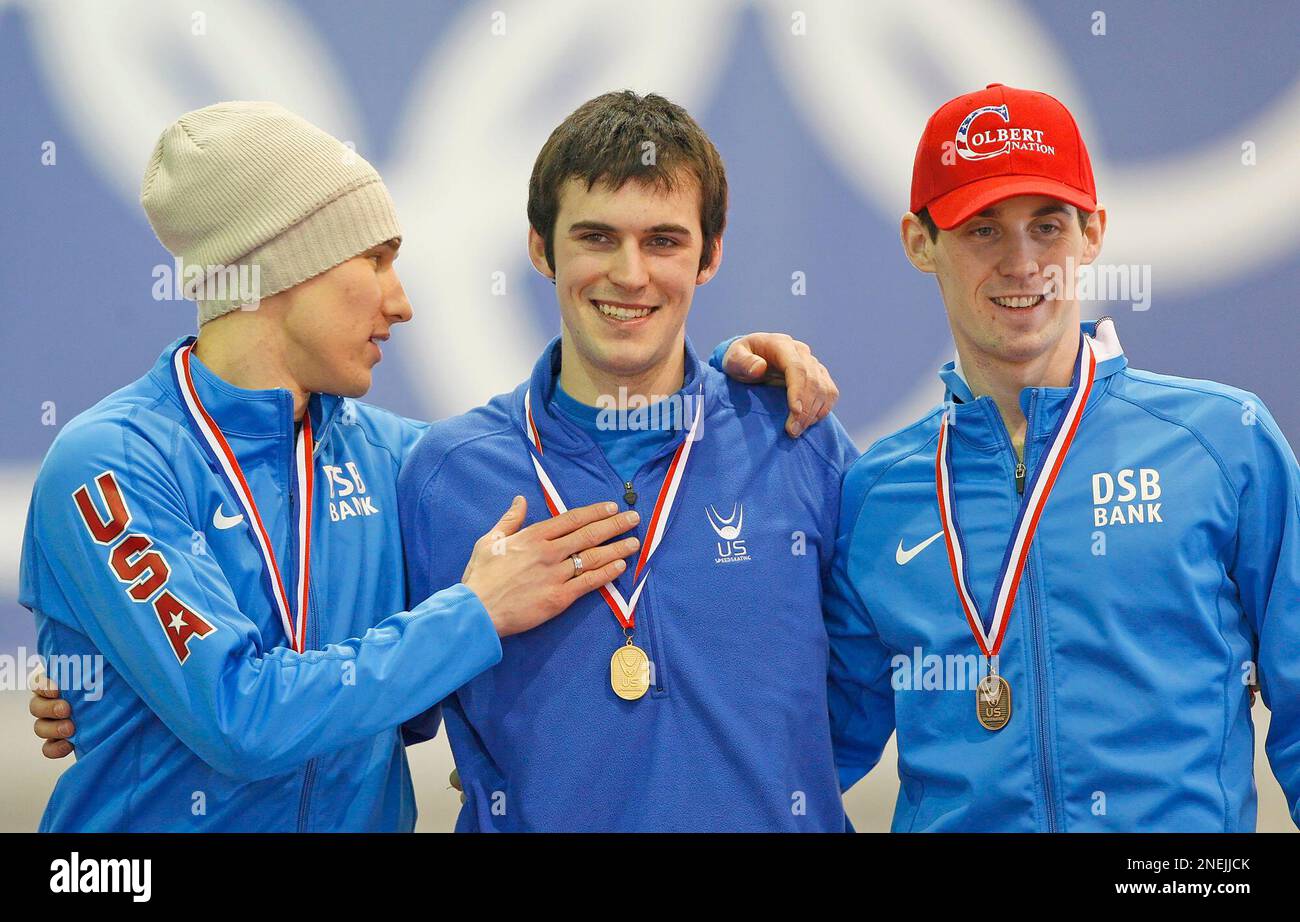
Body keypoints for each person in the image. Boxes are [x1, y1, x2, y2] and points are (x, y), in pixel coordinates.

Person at [20, 101, 829, 831]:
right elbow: (239, 716)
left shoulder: (409, 463)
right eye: (374, 260)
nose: (401, 300)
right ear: (273, 272)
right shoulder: (112, 466)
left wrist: (726, 385)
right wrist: (475, 612)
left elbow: (413, 701)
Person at [823, 83, 1300, 831]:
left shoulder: (1221, 441)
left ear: (1094, 234)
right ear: (920, 242)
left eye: (1047, 226)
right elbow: (795, 759)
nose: (1022, 263)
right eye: (982, 230)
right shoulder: (877, 491)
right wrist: (721, 395)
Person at [398, 90, 859, 831]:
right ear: (541, 248)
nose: (631, 274)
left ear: (709, 255)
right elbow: (390, 717)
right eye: (597, 237)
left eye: (664, 242)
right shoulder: (446, 474)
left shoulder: (797, 440)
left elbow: (867, 680)